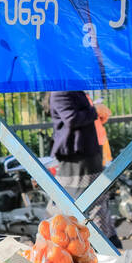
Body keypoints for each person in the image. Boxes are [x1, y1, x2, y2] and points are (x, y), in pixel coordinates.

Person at [48, 90, 121, 248]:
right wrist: (95, 110)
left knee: (98, 198)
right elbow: (71, 119)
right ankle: (99, 243)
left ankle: (107, 239)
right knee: (82, 200)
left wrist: (96, 113)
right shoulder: (60, 92)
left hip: (90, 151)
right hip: (76, 155)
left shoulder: (76, 90)